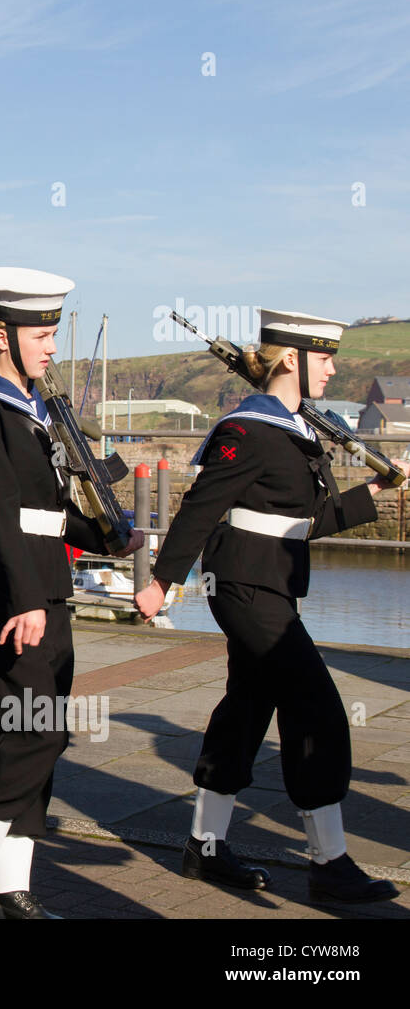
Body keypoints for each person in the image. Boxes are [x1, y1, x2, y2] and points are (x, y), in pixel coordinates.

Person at [134, 309, 405, 904]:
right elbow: (201, 507)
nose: (334, 369)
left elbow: (300, 525)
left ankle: (205, 846)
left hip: (273, 583)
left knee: (248, 708)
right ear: (292, 359)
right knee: (318, 711)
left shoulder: (294, 428)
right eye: (325, 357)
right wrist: (162, 581)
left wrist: (375, 493)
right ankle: (329, 861)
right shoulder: (248, 429)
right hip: (244, 588)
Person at [0, 267, 144, 919]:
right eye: (43, 333)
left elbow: (44, 510)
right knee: (36, 728)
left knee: (38, 736)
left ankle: (13, 884)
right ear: (1, 335)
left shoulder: (31, 409)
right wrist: (24, 596)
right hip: (1, 579)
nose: (53, 346)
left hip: (45, 576)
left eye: (54, 331)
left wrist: (106, 539)